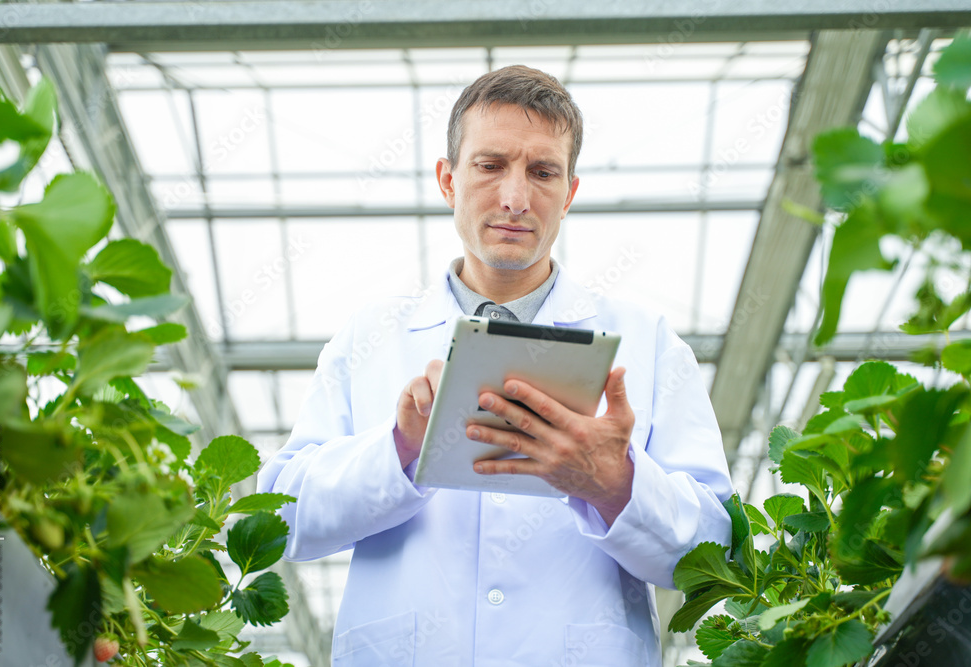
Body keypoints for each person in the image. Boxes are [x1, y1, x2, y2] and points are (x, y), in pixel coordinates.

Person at [257, 65, 734, 666]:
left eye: (543, 172)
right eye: (489, 166)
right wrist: (400, 450)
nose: (515, 198)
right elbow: (275, 521)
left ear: (570, 192)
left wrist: (617, 485)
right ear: (448, 180)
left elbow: (719, 553)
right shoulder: (369, 337)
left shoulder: (650, 342)